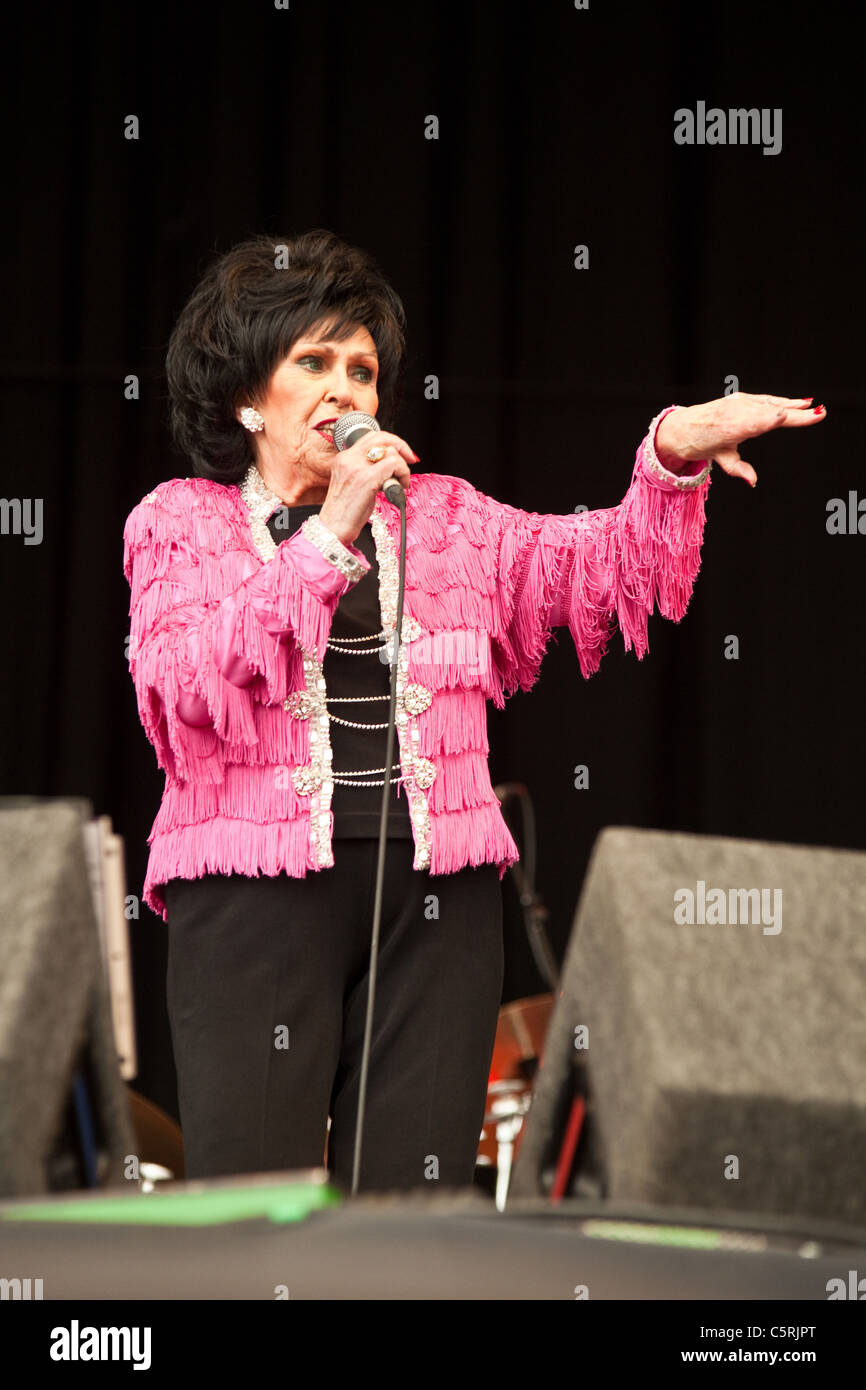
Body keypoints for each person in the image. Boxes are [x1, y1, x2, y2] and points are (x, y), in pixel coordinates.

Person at [122, 229, 826, 1193]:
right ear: (248, 395)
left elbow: (599, 566)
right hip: (252, 900)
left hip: (437, 900)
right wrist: (329, 536)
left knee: (408, 1220)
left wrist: (669, 455)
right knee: (256, 1213)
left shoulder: (445, 519)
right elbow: (181, 684)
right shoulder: (179, 524)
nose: (346, 391)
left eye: (363, 370)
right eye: (314, 362)